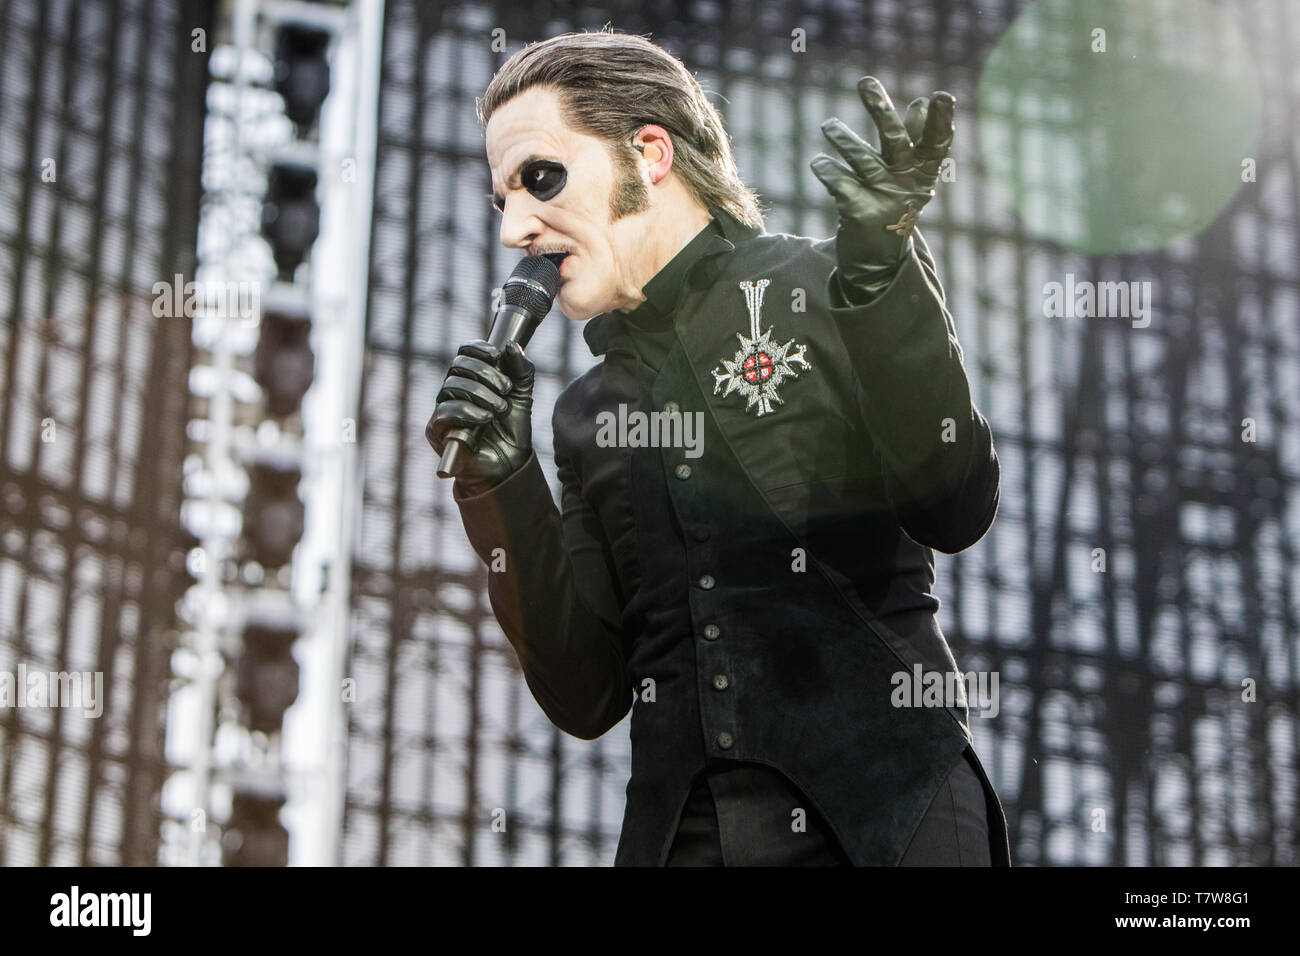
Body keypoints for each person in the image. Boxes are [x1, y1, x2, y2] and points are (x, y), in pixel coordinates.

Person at [427, 28, 1010, 866]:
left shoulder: (829, 283)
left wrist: (884, 280)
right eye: (502, 201)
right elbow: (589, 693)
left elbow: (954, 505)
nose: (517, 225)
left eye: (540, 179)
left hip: (888, 813)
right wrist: (497, 484)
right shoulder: (586, 414)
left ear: (651, 154)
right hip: (686, 838)